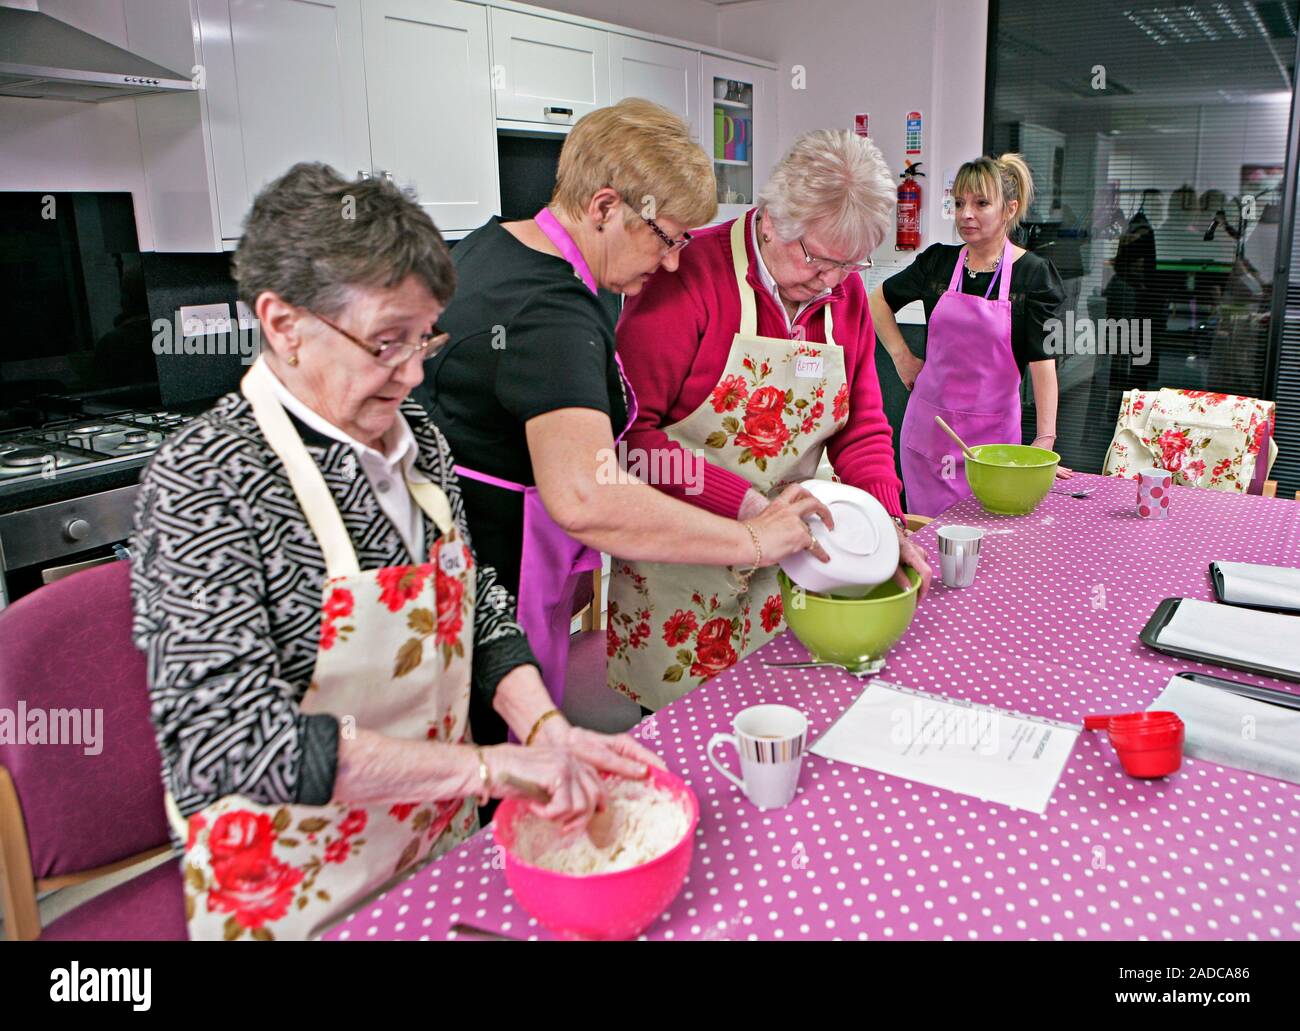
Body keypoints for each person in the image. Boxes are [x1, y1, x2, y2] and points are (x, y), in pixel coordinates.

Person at [131, 162, 660, 940]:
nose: (414, 373)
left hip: (432, 849)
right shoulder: (206, 483)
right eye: (387, 343)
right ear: (283, 324)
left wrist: (545, 724)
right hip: (293, 892)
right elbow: (231, 742)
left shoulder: (422, 449)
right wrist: (485, 770)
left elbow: (475, 602)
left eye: (424, 340)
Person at [422, 100, 833, 734]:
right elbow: (589, 495)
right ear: (606, 207)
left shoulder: (490, 246)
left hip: (456, 556)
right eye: (665, 238)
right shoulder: (551, 312)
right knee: (502, 751)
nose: (671, 263)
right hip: (501, 564)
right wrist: (752, 540)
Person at [607, 129, 933, 710]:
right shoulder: (685, 276)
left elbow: (861, 425)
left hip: (795, 560)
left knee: (785, 726)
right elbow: (632, 438)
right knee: (689, 746)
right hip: (685, 561)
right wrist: (750, 509)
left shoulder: (844, 293)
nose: (832, 281)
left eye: (851, 264)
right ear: (772, 219)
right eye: (817, 259)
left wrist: (886, 524)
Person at [870, 153, 1070, 517]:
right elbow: (878, 301)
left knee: (987, 541)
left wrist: (1044, 441)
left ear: (1009, 209)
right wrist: (902, 358)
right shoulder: (938, 263)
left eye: (981, 203)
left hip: (992, 445)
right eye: (959, 203)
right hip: (928, 433)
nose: (966, 214)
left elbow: (1043, 365)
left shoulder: (1032, 275)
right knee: (926, 537)